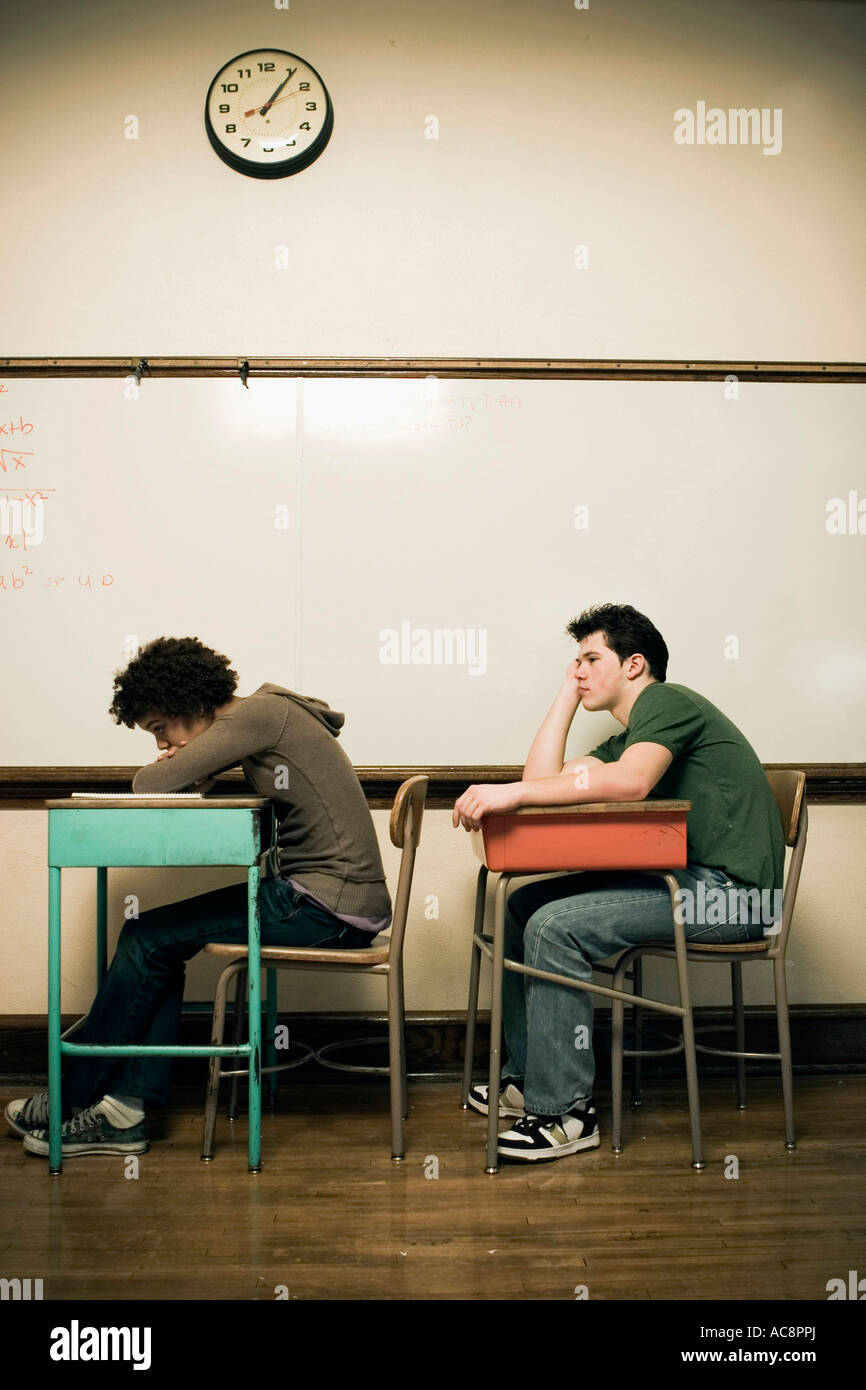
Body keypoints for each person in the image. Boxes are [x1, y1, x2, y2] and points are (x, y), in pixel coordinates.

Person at [7, 636, 391, 1159]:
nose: (161, 740)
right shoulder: (268, 716)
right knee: (154, 942)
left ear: (186, 701)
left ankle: (77, 1097)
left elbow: (149, 782)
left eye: (160, 728)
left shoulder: (257, 716)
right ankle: (124, 1109)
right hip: (331, 902)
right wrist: (201, 762)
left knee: (145, 939)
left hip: (322, 907)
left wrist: (185, 762)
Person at [452, 603, 785, 1164]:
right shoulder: (631, 735)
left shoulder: (667, 702)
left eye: (590, 659)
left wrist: (508, 793)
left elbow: (630, 786)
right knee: (523, 906)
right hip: (693, 883)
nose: (578, 670)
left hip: (734, 897)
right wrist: (567, 693)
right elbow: (541, 781)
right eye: (574, 662)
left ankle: (565, 1114)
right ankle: (531, 1078)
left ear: (634, 665)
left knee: (554, 928)